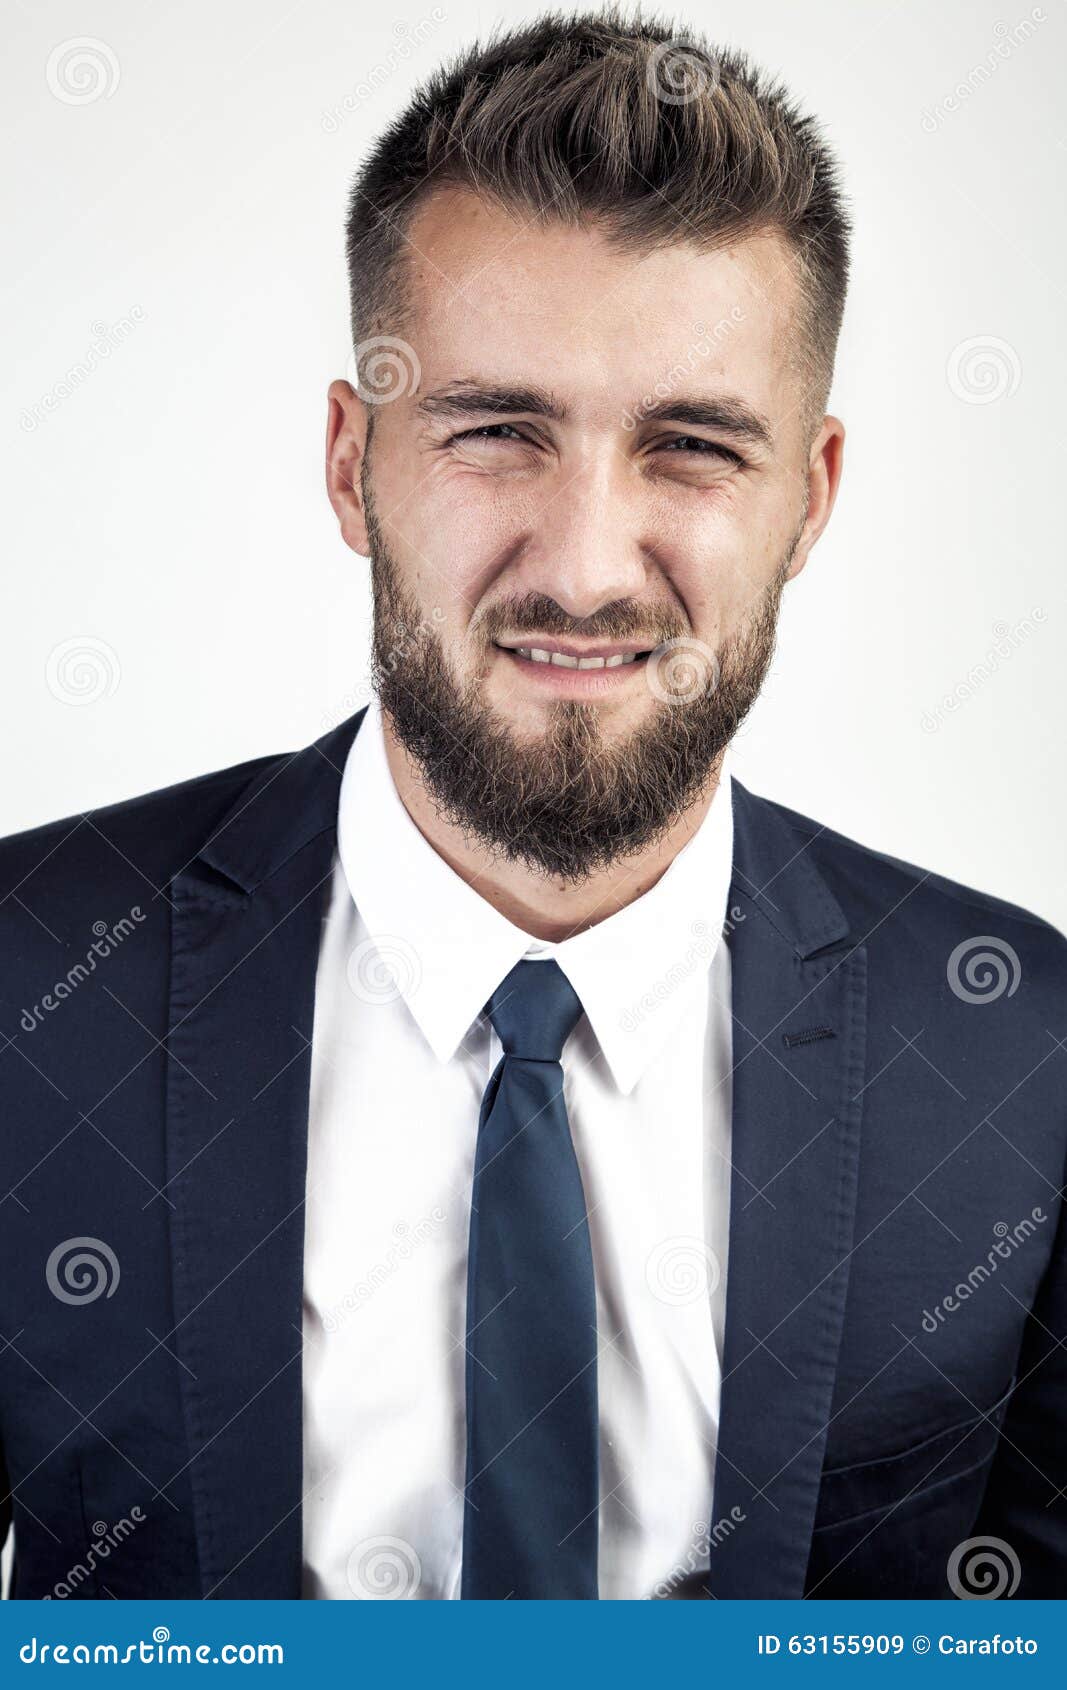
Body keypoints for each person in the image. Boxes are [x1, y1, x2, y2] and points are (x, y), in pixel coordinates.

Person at [1, 8, 1064, 1602]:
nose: (582, 566)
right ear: (353, 463)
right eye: (498, 431)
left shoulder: (1020, 1052)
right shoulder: (28, 982)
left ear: (813, 499)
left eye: (694, 448)